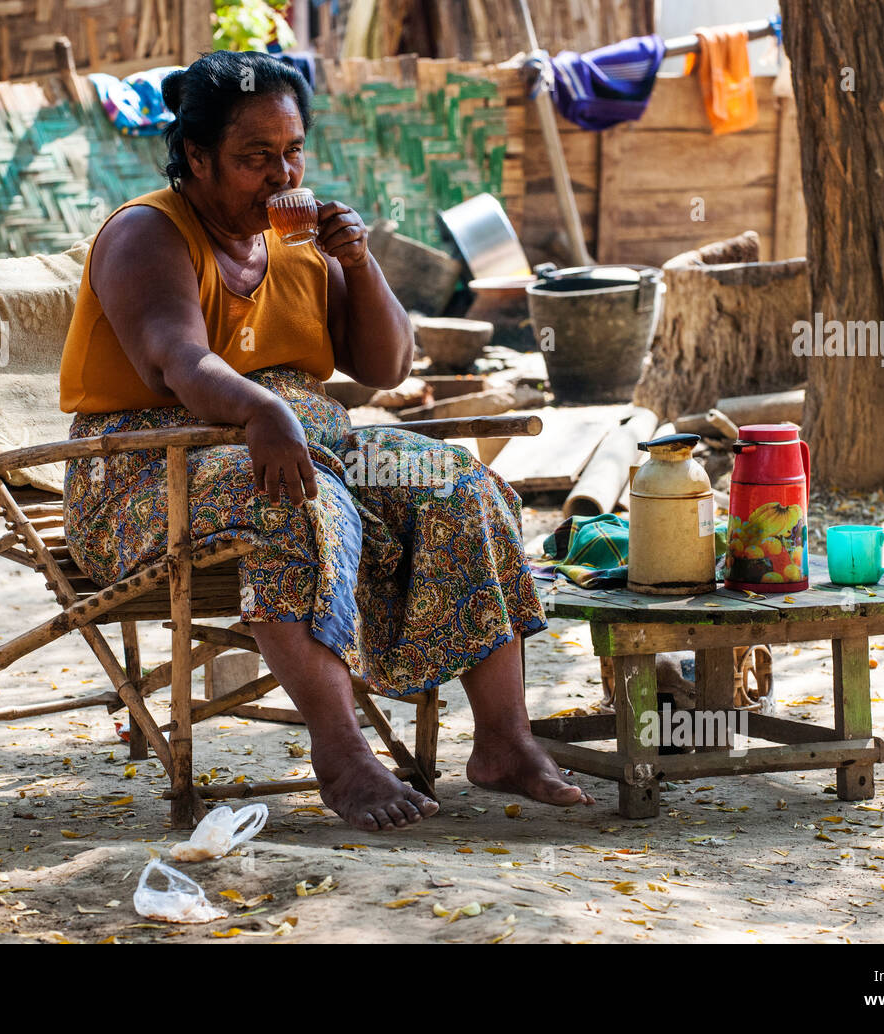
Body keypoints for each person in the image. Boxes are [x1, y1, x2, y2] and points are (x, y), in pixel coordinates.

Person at [59, 51, 593, 833]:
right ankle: (342, 755)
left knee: (458, 483)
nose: (282, 174)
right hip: (147, 471)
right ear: (197, 158)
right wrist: (262, 415)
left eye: (292, 151)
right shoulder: (148, 234)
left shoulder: (299, 240)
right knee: (291, 498)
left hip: (305, 446)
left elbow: (384, 367)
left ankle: (504, 741)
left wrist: (359, 262)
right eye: (254, 158)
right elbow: (178, 362)